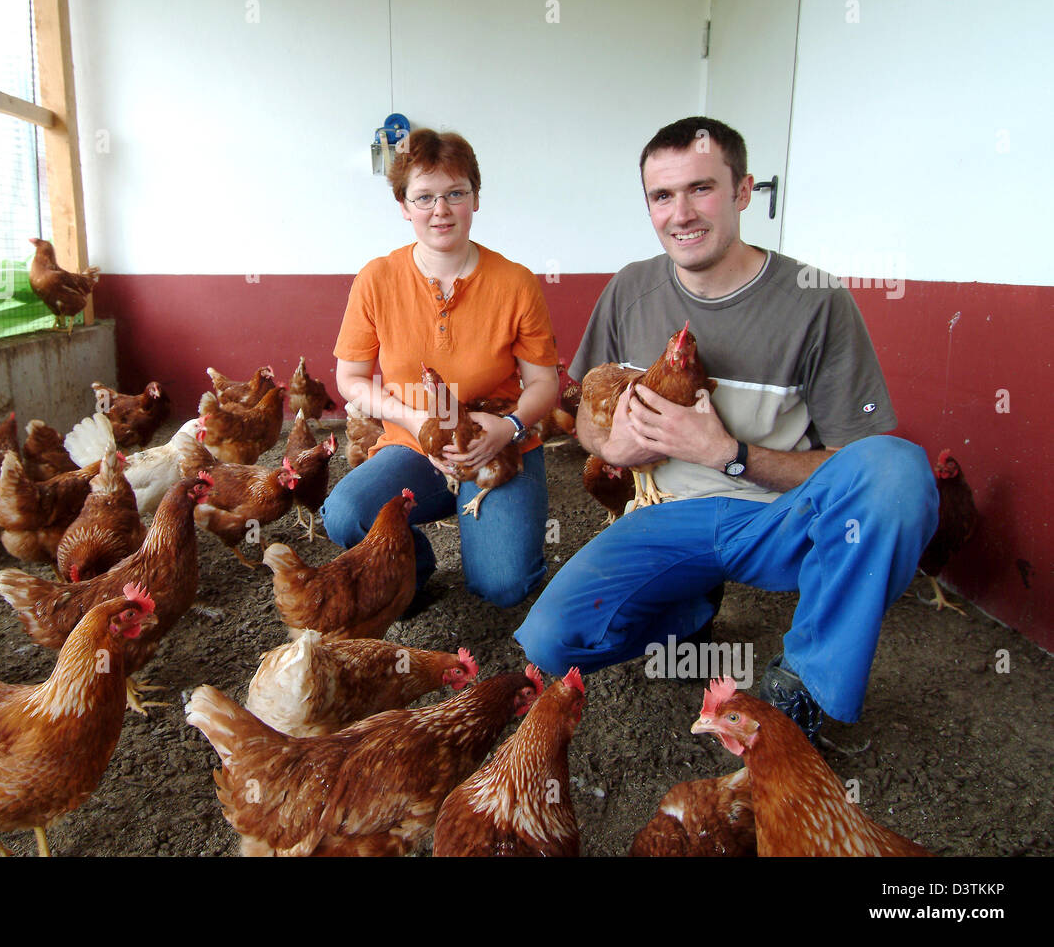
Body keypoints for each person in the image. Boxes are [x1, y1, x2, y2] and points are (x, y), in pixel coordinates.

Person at [514, 116, 938, 739]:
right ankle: (687, 611)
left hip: (778, 516)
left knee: (898, 473)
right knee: (553, 641)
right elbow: (580, 413)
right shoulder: (631, 288)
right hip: (665, 514)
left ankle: (805, 684)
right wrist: (611, 443)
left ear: (743, 191)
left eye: (701, 189)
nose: (680, 213)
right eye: (662, 196)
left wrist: (730, 454)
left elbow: (856, 461)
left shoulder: (816, 300)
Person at [322, 128, 560, 609]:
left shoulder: (516, 283)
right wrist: (413, 421)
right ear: (403, 206)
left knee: (502, 585)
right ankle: (414, 566)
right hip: (414, 442)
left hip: (496, 442)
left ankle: (495, 525)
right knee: (346, 513)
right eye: (424, 197)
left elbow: (544, 383)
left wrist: (510, 426)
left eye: (456, 193)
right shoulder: (377, 279)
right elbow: (349, 378)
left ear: (475, 198)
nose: (441, 210)